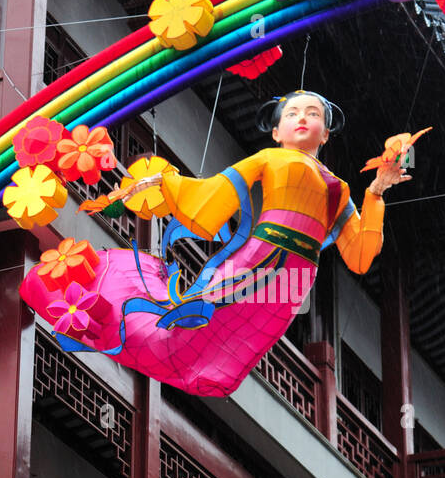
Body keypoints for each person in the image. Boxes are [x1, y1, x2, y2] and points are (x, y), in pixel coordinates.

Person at [21, 91, 410, 397]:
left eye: (313, 114)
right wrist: (166, 183)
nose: (303, 119)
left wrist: (375, 193)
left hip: (295, 280)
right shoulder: (270, 159)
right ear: (276, 132)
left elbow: (359, 256)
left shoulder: (339, 189)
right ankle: (109, 311)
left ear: (326, 133)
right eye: (292, 114)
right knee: (194, 325)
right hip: (261, 254)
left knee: (244, 339)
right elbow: (214, 194)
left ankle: (200, 368)